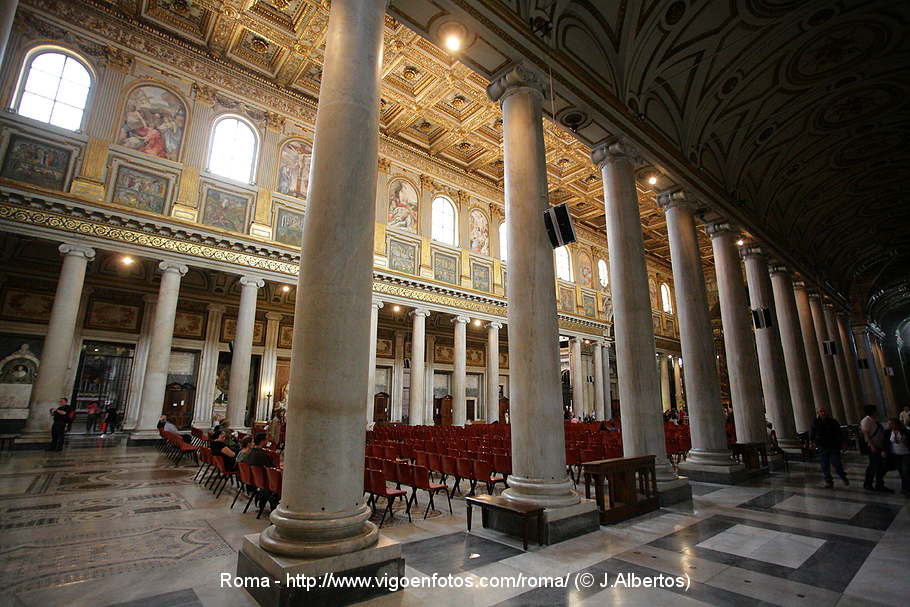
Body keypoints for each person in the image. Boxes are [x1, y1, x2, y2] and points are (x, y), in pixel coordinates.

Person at [809, 408, 849, 488]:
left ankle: (843, 476)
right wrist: (811, 442)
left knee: (837, 464)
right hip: (822, 446)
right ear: (818, 413)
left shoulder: (833, 421)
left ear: (826, 412)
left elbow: (839, 433)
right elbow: (812, 433)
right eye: (821, 411)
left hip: (833, 446)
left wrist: (844, 443)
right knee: (824, 465)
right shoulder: (815, 422)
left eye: (824, 411)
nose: (822, 413)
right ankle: (828, 481)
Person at [860, 405, 892, 493]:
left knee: (880, 466)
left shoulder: (874, 419)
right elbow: (866, 435)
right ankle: (868, 484)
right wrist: (872, 446)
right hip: (873, 447)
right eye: (876, 410)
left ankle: (879, 484)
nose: (878, 411)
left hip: (879, 446)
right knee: (873, 466)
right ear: (872, 411)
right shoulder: (866, 420)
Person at [887, 418, 910, 496]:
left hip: (905, 453)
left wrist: (905, 441)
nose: (890, 425)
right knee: (901, 471)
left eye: (891, 424)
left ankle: (907, 488)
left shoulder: (905, 431)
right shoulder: (888, 432)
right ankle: (905, 487)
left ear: (896, 424)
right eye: (889, 424)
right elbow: (886, 442)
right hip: (895, 454)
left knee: (905, 471)